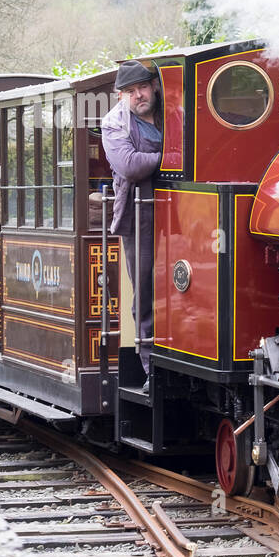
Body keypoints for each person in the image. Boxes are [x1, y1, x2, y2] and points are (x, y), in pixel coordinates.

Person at [101, 60, 163, 394]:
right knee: (146, 288)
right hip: (139, 215)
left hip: (181, 215)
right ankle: (149, 365)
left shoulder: (172, 112)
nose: (138, 95)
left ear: (154, 85)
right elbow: (130, 165)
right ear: (123, 95)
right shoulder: (114, 122)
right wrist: (173, 157)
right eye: (130, 91)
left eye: (142, 87)